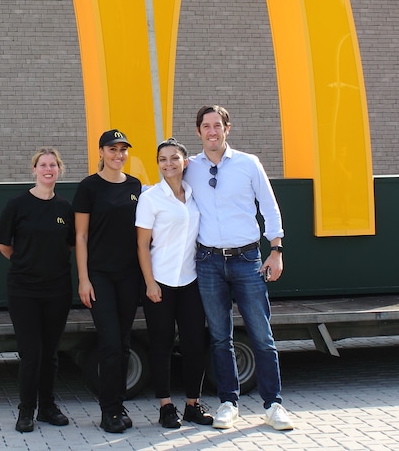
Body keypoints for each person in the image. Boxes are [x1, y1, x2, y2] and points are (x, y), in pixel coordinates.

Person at [187, 105, 295, 431]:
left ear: (227, 129)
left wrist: (276, 251)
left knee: (262, 336)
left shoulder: (249, 164)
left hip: (248, 260)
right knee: (220, 337)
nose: (212, 131)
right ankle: (228, 403)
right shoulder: (189, 166)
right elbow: (164, 192)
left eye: (217, 125)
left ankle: (273, 404)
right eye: (206, 126)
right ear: (199, 132)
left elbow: (270, 207)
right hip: (207, 262)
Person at [135, 138, 215, 429]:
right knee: (161, 345)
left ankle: (193, 405)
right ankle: (165, 406)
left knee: (195, 343)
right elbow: (142, 245)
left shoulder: (196, 195)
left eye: (173, 158)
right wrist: (150, 283)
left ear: (185, 162)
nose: (168, 163)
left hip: (191, 281)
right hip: (161, 283)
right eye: (162, 159)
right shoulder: (151, 198)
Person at [0, 147, 75, 434]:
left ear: (59, 169)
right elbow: (2, 244)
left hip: (58, 290)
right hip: (24, 289)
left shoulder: (65, 208)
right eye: (43, 165)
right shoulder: (17, 204)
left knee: (51, 353)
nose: (48, 169)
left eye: (53, 164)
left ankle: (48, 408)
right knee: (32, 353)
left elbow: (69, 244)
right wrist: (25, 261)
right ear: (34, 170)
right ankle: (26, 410)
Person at [74, 129, 143, 434]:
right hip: (100, 276)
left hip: (129, 275)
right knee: (110, 342)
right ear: (100, 152)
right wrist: (84, 279)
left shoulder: (135, 185)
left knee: (124, 342)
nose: (118, 154)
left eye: (122, 149)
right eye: (112, 149)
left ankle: (118, 404)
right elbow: (80, 235)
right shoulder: (88, 187)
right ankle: (108, 411)